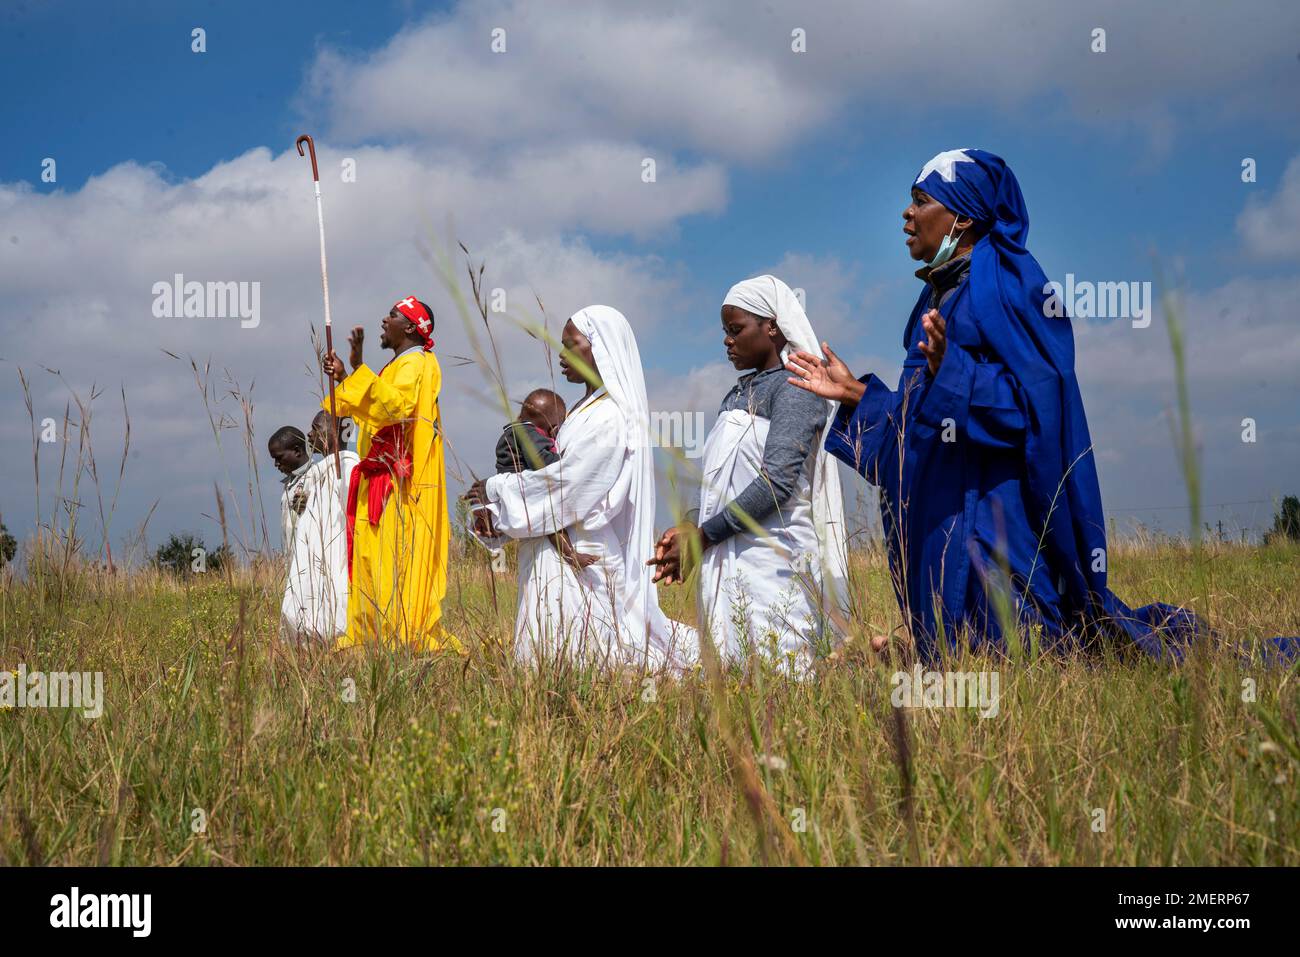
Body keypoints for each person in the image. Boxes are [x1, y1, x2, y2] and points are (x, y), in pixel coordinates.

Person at [787, 147, 1250, 664]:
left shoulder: (1009, 286)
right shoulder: (938, 298)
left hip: (989, 525)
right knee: (952, 658)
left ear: (961, 216)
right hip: (942, 520)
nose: (907, 214)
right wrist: (855, 394)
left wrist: (954, 371)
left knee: (1020, 656)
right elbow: (919, 429)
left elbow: (1036, 407)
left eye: (921, 201)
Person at [465, 306, 696, 669]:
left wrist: (497, 488)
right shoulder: (581, 410)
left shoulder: (609, 416)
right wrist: (496, 514)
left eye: (572, 345)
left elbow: (569, 489)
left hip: (581, 556)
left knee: (588, 659)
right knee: (557, 658)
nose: (562, 355)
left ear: (600, 349)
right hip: (559, 550)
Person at [648, 276, 848, 675]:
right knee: (731, 678)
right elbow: (721, 484)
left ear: (771, 327)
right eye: (725, 332)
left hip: (772, 564)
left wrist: (703, 537)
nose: (727, 341)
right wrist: (689, 526)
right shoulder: (736, 396)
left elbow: (775, 484)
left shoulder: (796, 388)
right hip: (728, 558)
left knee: (782, 675)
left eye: (736, 330)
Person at [322, 295, 460, 653]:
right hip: (376, 481)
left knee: (389, 562)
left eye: (393, 316)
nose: (385, 320)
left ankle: (399, 641)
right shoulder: (398, 365)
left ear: (411, 328)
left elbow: (395, 408)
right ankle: (369, 639)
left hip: (395, 486)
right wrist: (347, 374)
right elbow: (374, 407)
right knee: (369, 560)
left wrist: (358, 368)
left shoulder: (417, 364)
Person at [492, 388, 595, 572]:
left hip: (511, 489)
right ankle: (570, 554)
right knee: (552, 519)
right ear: (554, 428)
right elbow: (540, 461)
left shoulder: (515, 430)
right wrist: (565, 463)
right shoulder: (529, 434)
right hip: (524, 490)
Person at [280, 411, 359, 643]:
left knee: (334, 616)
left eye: (317, 428)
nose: (310, 433)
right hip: (313, 559)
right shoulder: (318, 471)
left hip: (336, 558)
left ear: (340, 432)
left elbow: (349, 514)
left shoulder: (348, 467)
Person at [268, 425, 312, 552]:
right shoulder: (289, 484)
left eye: (279, 457)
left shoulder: (316, 476)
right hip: (292, 562)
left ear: (297, 451)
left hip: (309, 561)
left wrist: (309, 503)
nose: (276, 464)